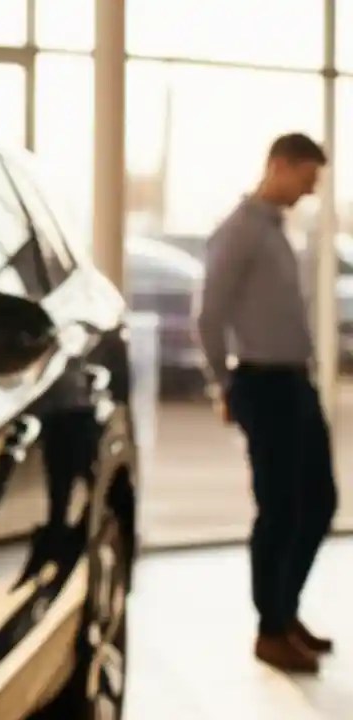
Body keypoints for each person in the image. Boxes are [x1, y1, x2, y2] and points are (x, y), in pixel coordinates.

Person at [195, 132, 337, 674]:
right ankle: (269, 630)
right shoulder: (238, 232)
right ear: (278, 166)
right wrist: (223, 385)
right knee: (279, 509)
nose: (310, 189)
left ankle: (285, 611)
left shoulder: (278, 231)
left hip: (295, 384)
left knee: (318, 501)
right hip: (263, 386)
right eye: (306, 177)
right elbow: (208, 317)